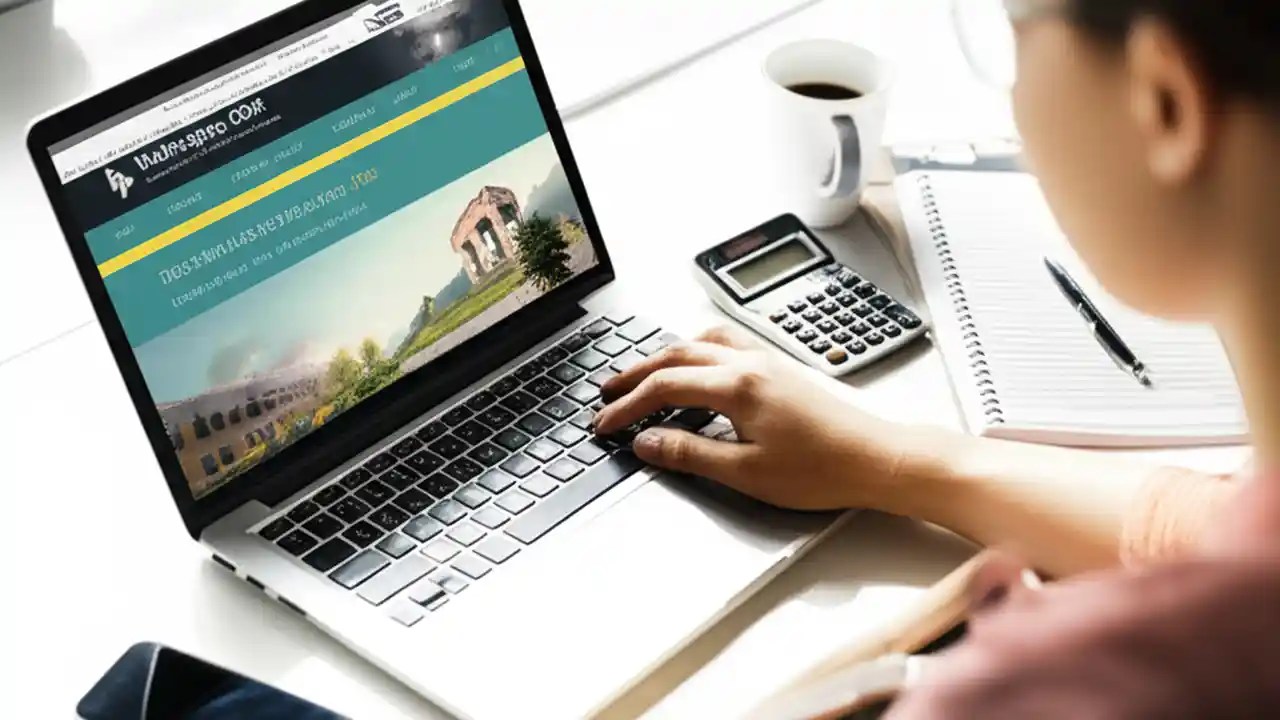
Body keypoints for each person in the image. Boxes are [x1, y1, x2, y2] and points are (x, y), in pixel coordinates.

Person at [593, 0, 1280, 714]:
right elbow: (1209, 524)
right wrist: (890, 460)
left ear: (1164, 102)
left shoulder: (1038, 694)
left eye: (1016, 37)